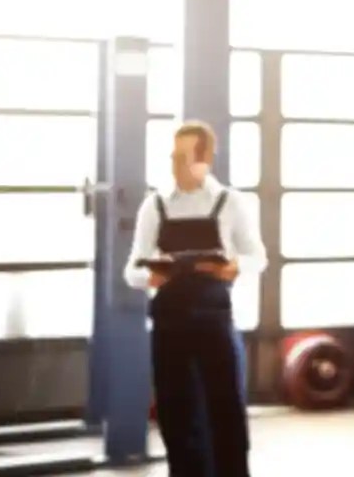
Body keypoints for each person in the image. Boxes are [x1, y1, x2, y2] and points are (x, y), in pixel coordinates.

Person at [124, 120, 267, 477]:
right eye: (173, 156)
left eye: (184, 157)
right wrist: (150, 276)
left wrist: (234, 266)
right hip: (169, 327)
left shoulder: (229, 202)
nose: (176, 164)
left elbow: (258, 256)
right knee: (177, 415)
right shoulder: (154, 205)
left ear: (205, 160)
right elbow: (131, 269)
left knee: (226, 413)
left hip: (214, 322)